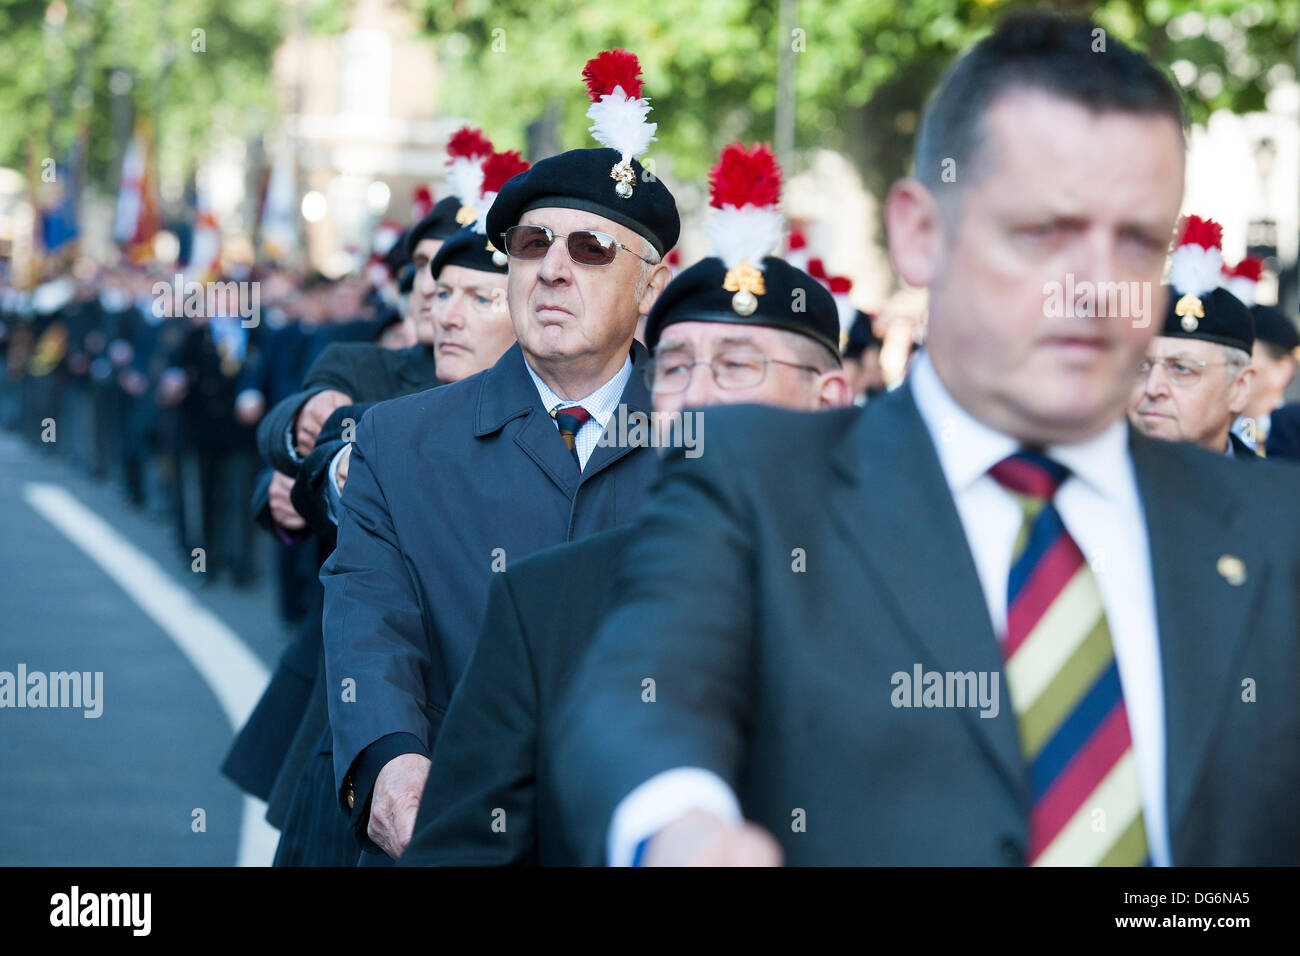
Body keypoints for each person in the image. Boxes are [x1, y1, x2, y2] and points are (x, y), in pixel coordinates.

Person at [548, 12, 1300, 867]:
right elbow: (641, 696)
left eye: (1135, 241)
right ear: (919, 233)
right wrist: (682, 825)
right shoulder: (759, 488)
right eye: (1042, 232)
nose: (1093, 289)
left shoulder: (1275, 528)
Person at [400, 143, 852, 866]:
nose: (696, 395)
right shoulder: (545, 603)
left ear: (830, 402)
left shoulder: (914, 581)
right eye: (674, 367)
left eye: (736, 365)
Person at [322, 49, 678, 864]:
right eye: (529, 243)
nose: (552, 268)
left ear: (651, 286)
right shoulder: (399, 440)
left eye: (591, 248)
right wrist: (387, 760)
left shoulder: (709, 445)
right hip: (456, 832)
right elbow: (369, 623)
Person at [1129, 217, 1256, 459]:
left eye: (1181, 368)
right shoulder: (1080, 489)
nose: (1152, 388)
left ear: (1240, 388)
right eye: (1141, 366)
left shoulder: (1277, 495)